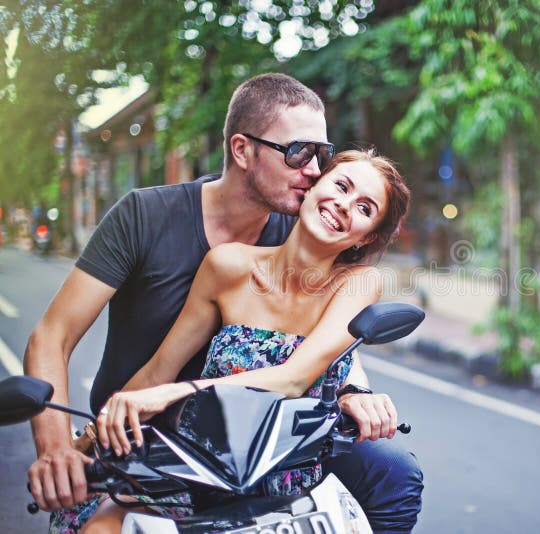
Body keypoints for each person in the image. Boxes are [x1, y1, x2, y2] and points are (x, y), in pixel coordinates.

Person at [24, 73, 422, 534]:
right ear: (242, 150)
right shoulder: (182, 237)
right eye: (300, 153)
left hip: (278, 458)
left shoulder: (337, 263)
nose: (314, 171)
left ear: (369, 235)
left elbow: (314, 361)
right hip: (177, 441)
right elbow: (87, 347)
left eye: (322, 157)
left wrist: (353, 392)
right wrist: (75, 445)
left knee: (395, 472)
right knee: (99, 523)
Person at [79, 148, 411, 532]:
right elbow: (158, 373)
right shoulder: (227, 265)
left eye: (365, 208)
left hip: (285, 489)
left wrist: (176, 392)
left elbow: (294, 378)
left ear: (365, 237)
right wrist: (87, 440)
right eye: (341, 185)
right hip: (197, 465)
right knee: (100, 526)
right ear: (314, 184)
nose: (344, 205)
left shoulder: (357, 283)